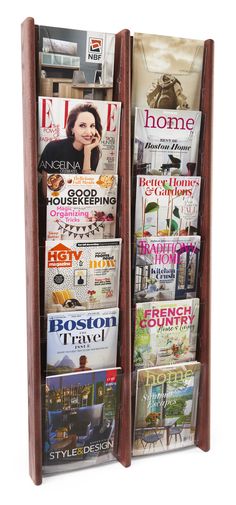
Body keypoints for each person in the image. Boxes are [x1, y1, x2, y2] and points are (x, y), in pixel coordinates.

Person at [38, 103, 103, 196]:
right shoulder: (53, 148)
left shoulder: (93, 151)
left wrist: (87, 151)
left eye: (92, 126)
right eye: (82, 125)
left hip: (75, 203)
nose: (89, 132)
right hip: (51, 204)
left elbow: (87, 188)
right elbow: (46, 192)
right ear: (72, 128)